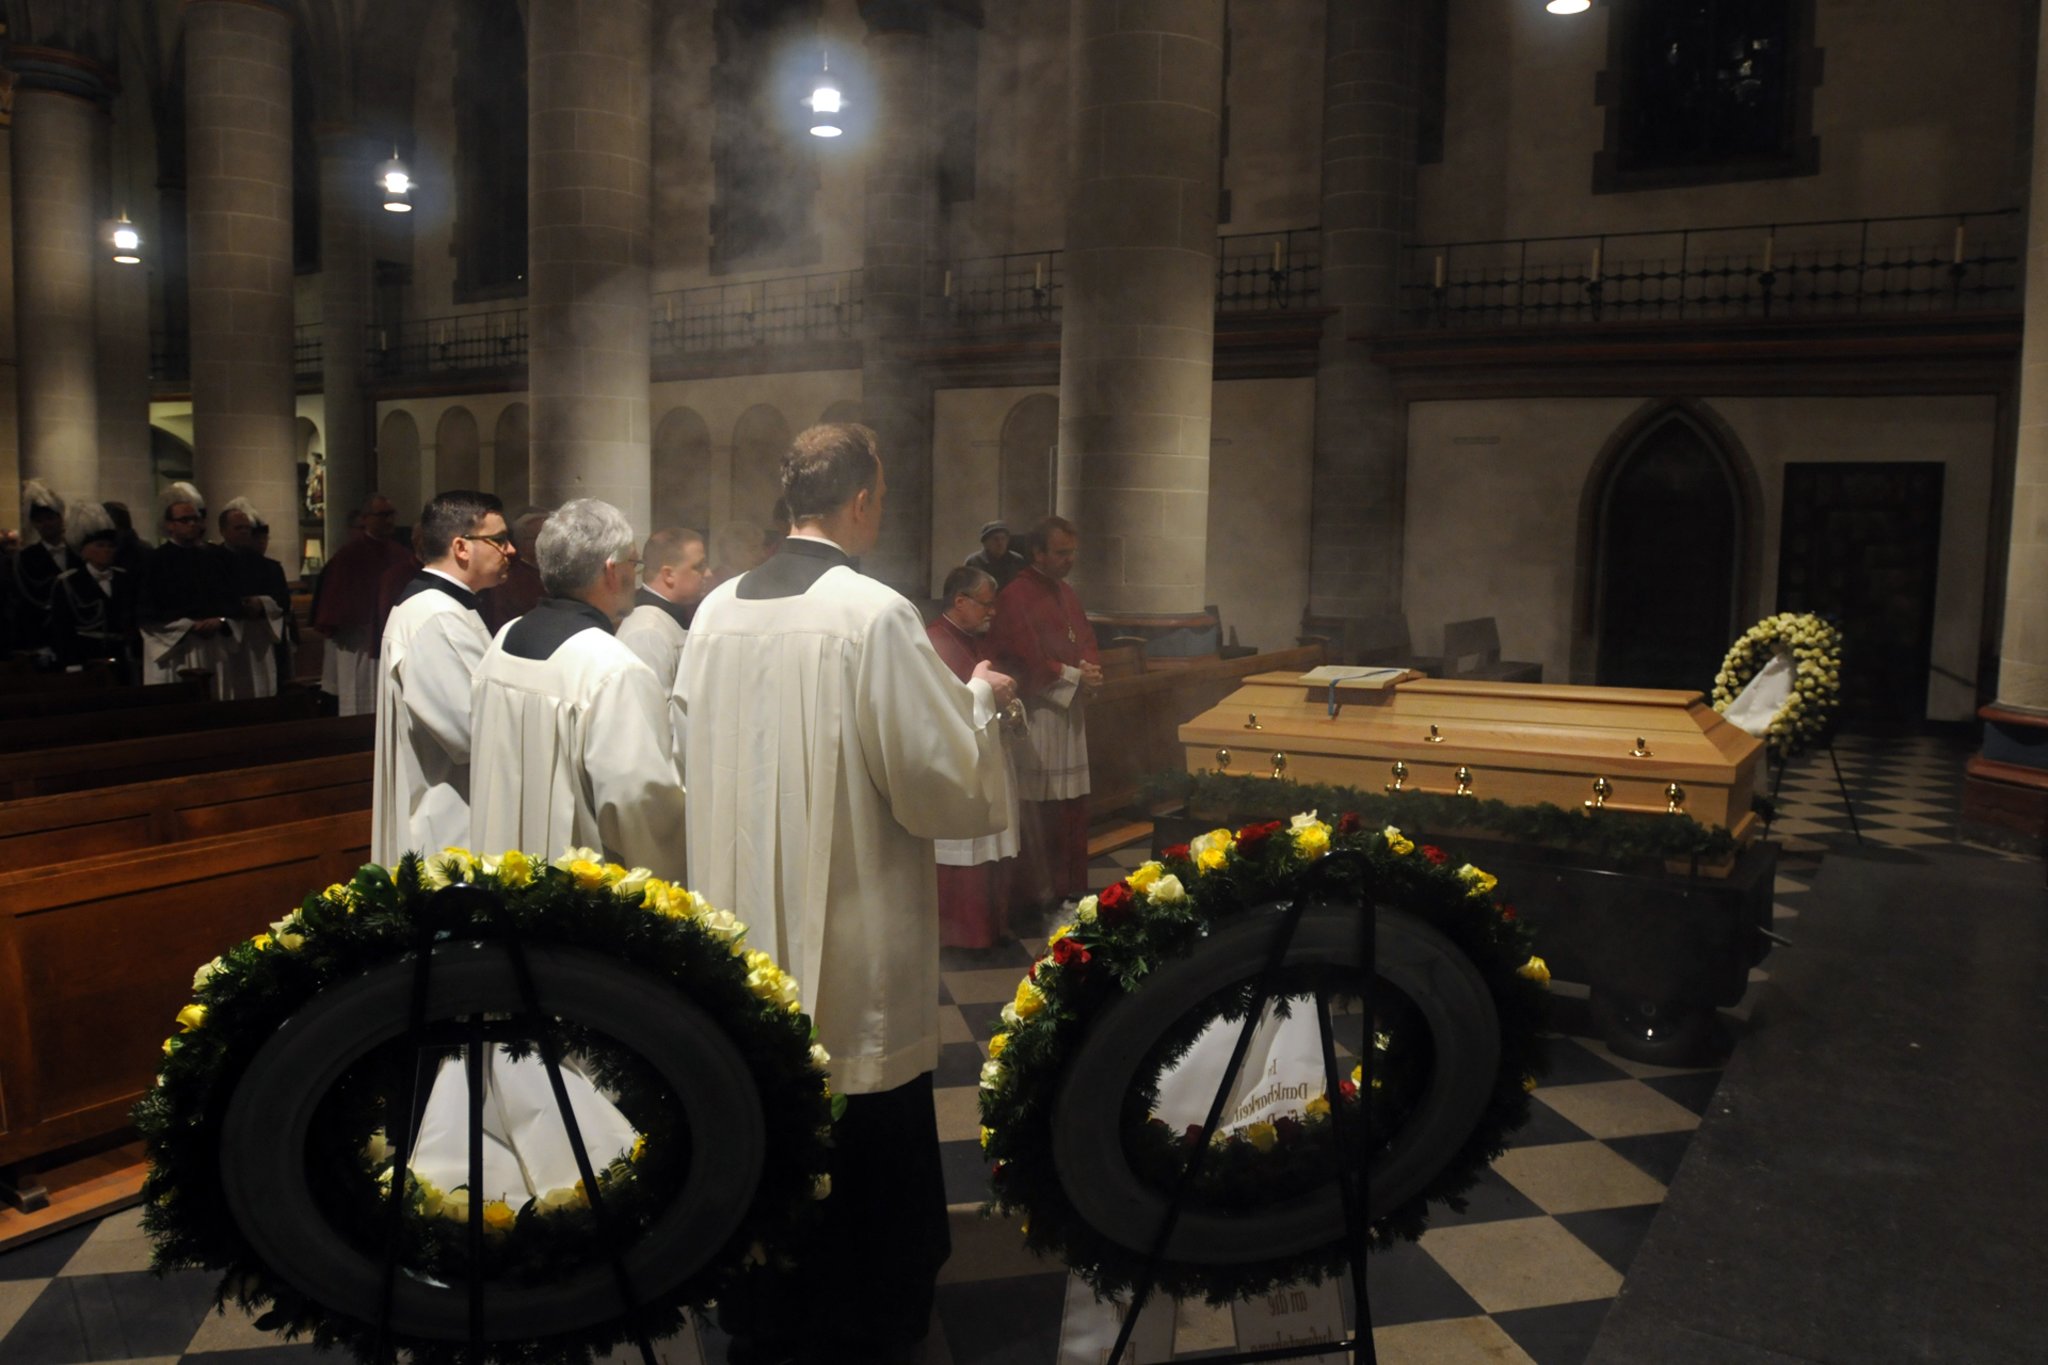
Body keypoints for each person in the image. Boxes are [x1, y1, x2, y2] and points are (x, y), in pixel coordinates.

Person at [677, 423, 1015, 1363]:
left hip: (738, 917)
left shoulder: (712, 611)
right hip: (851, 916)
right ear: (862, 499)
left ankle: (760, 1291)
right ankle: (869, 1306)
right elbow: (933, 778)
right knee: (859, 1080)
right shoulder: (873, 613)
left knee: (764, 1088)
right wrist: (980, 702)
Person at [469, 498, 686, 877]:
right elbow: (639, 809)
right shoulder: (612, 668)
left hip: (502, 876)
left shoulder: (503, 641)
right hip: (576, 897)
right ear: (611, 572)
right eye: (633, 565)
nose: (635, 578)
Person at [371, 491, 513, 866]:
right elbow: (469, 731)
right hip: (448, 823)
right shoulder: (435, 617)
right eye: (499, 540)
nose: (510, 550)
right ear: (462, 547)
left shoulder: (447, 609)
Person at [986, 515, 1103, 913]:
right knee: (1041, 803)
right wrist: (1073, 676)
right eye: (1060, 552)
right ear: (1037, 552)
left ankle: (1069, 883)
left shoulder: (1066, 593)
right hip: (1038, 713)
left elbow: (1084, 636)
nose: (1069, 560)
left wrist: (1090, 667)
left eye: (1072, 552)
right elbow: (1021, 654)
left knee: (1069, 801)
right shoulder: (1015, 595)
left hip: (1069, 710)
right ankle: (1037, 890)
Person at [928, 565, 1025, 950]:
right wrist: (986, 690)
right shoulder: (934, 643)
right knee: (964, 848)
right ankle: (963, 935)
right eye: (986, 604)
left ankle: (991, 927)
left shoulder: (974, 639)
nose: (992, 612)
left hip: (988, 756)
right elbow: (942, 711)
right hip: (957, 767)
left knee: (992, 842)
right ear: (959, 601)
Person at [137, 481, 245, 691]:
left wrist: (221, 621)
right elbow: (148, 613)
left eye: (195, 519)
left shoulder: (215, 558)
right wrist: (188, 626)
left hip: (213, 647)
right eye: (184, 520)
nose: (192, 524)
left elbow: (231, 601)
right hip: (176, 648)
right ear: (169, 524)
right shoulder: (155, 561)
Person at [311, 492, 412, 715]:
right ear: (366, 518)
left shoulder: (401, 554)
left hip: (392, 641)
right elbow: (335, 603)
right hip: (358, 644)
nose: (389, 520)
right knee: (360, 701)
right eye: (382, 515)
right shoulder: (348, 556)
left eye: (391, 514)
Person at [47, 501, 139, 677]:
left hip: (122, 662)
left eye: (110, 546)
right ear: (85, 551)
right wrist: (72, 663)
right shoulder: (68, 583)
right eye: (100, 545)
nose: (106, 550)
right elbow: (62, 629)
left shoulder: (124, 578)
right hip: (87, 662)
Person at [616, 526, 710, 694]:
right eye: (699, 567)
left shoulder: (663, 619)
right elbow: (652, 712)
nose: (708, 574)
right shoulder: (647, 633)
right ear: (668, 574)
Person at [216, 498, 292, 698]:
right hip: (227, 638)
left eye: (247, 528)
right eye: (238, 527)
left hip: (260, 638)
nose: (244, 532)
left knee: (261, 689)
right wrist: (238, 607)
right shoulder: (212, 562)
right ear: (223, 531)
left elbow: (283, 601)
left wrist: (262, 603)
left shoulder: (269, 567)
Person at [11, 481, 69, 650]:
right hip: (42, 634)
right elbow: (26, 604)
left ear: (60, 518)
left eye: (50, 518)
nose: (46, 524)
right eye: (40, 520)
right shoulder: (25, 558)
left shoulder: (77, 554)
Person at [480, 508, 549, 634]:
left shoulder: (555, 572)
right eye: (537, 537)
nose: (547, 543)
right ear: (522, 541)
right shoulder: (508, 578)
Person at [965, 519, 1027, 590]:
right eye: (995, 539)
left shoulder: (1017, 560)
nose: (1000, 543)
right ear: (985, 543)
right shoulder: (974, 562)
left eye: (1003, 539)